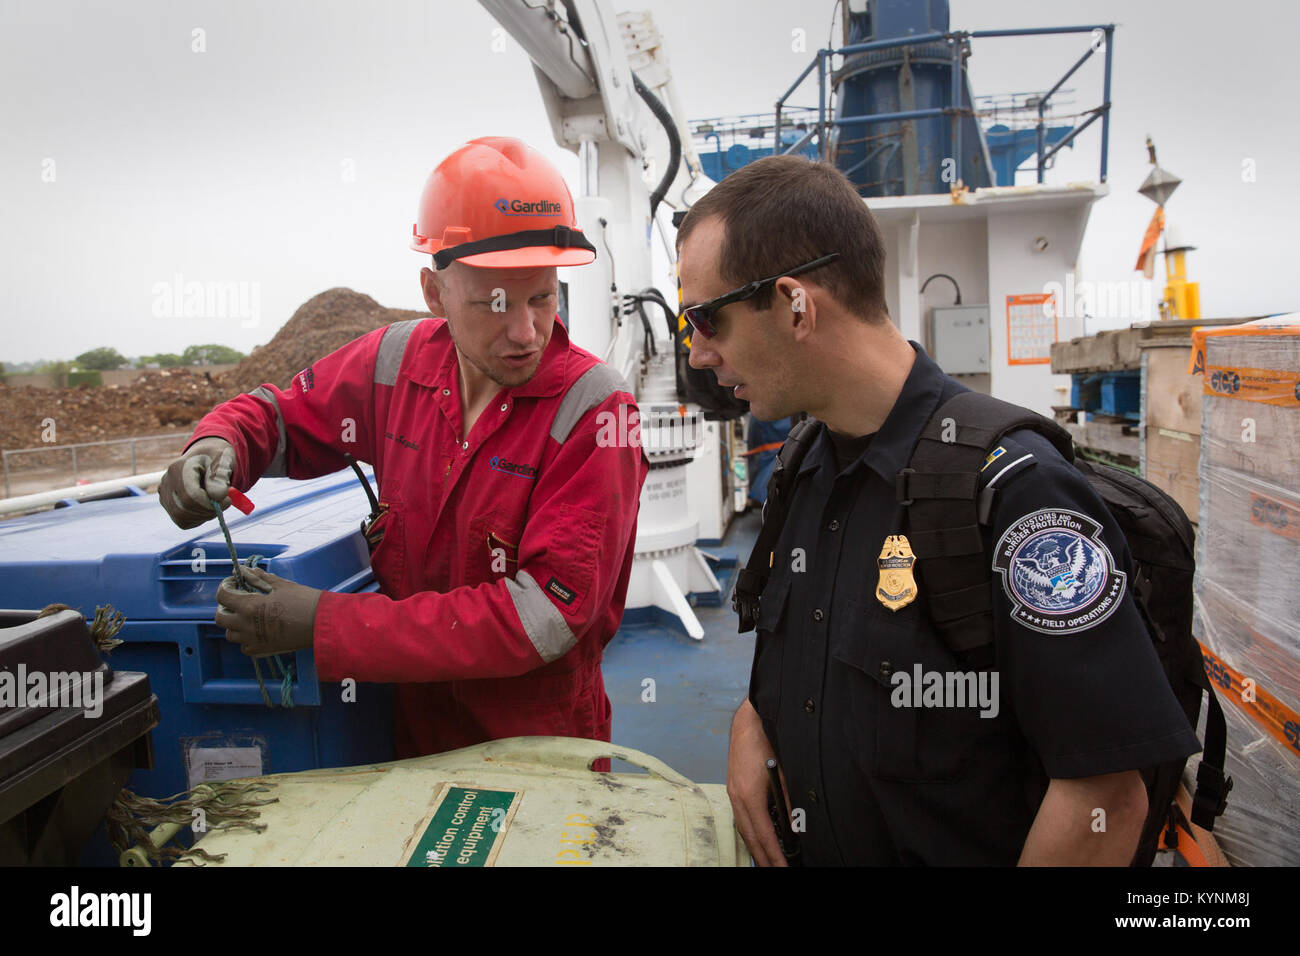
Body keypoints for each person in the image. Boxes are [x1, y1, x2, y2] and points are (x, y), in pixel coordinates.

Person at [676, 154, 1200, 866]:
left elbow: (1104, 797)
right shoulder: (803, 464)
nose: (699, 352)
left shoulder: (1017, 495)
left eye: (708, 319)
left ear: (796, 305)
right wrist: (751, 723)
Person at [158, 136, 648, 761]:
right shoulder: (395, 364)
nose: (525, 332)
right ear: (434, 293)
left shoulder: (596, 411)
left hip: (538, 753)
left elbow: (540, 620)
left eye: (542, 298)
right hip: (410, 738)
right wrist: (217, 442)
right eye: (495, 304)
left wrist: (324, 623)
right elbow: (282, 417)